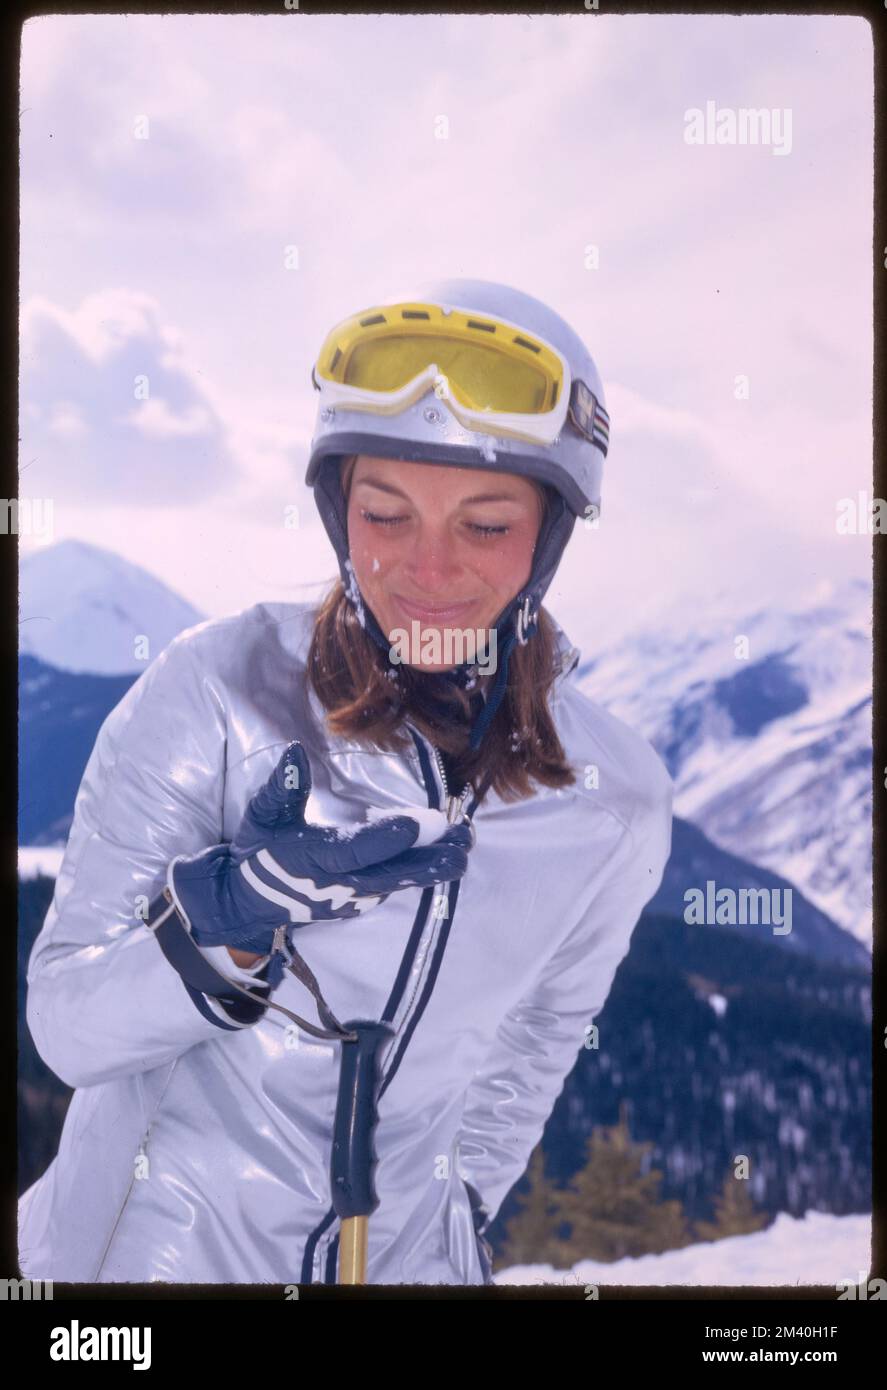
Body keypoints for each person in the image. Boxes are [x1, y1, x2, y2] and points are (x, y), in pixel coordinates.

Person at [19, 278, 673, 1285]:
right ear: (338, 509)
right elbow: (65, 1027)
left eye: (485, 526)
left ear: (550, 535)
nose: (427, 566)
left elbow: (536, 1044)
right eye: (385, 512)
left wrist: (449, 1217)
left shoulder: (610, 801)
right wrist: (225, 927)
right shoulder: (216, 693)